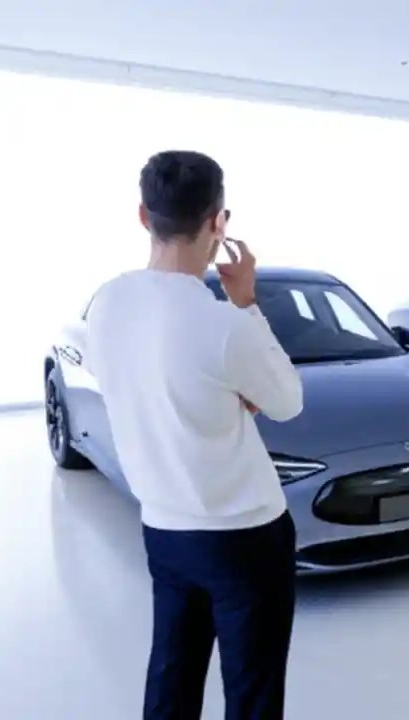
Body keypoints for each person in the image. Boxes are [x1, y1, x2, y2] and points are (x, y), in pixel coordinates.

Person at [85, 150, 304, 719]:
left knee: (172, 678)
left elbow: (134, 385)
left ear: (144, 216)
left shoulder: (106, 303)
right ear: (217, 223)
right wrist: (247, 302)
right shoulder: (225, 323)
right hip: (246, 536)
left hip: (164, 527)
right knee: (252, 694)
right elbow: (287, 403)